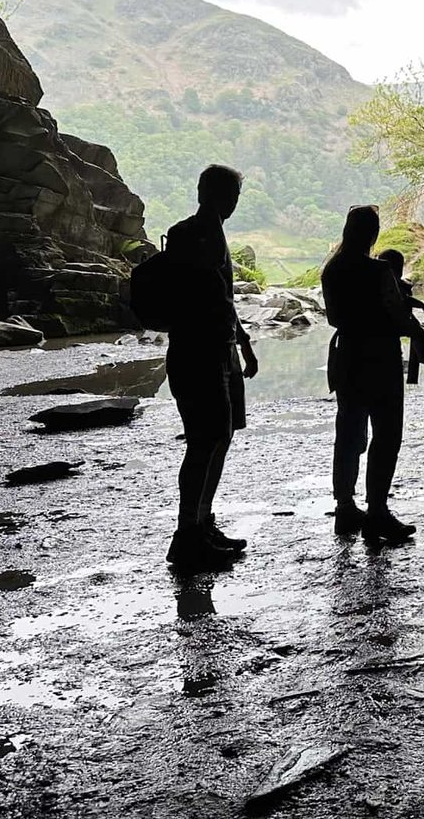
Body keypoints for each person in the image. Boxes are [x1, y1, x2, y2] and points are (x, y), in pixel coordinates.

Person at [163, 164, 259, 571]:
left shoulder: (208, 233)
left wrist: (244, 343)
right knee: (204, 442)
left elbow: (224, 299)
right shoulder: (192, 235)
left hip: (220, 353)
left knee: (221, 436)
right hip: (198, 353)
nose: (235, 203)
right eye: (233, 195)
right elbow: (207, 298)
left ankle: (202, 523)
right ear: (218, 195)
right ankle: (187, 536)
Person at [322, 206, 424, 541]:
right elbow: (396, 316)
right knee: (386, 433)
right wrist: (414, 330)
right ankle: (378, 510)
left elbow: (334, 318)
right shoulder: (378, 271)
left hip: (348, 354)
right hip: (380, 356)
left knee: (349, 434)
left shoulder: (332, 269)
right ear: (372, 233)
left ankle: (345, 507)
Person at [376, 248, 424, 383]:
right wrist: (421, 304)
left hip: (396, 317)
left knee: (416, 331)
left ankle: (415, 369)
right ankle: (421, 357)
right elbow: (404, 300)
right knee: (418, 333)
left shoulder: (381, 281)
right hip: (396, 320)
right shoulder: (393, 283)